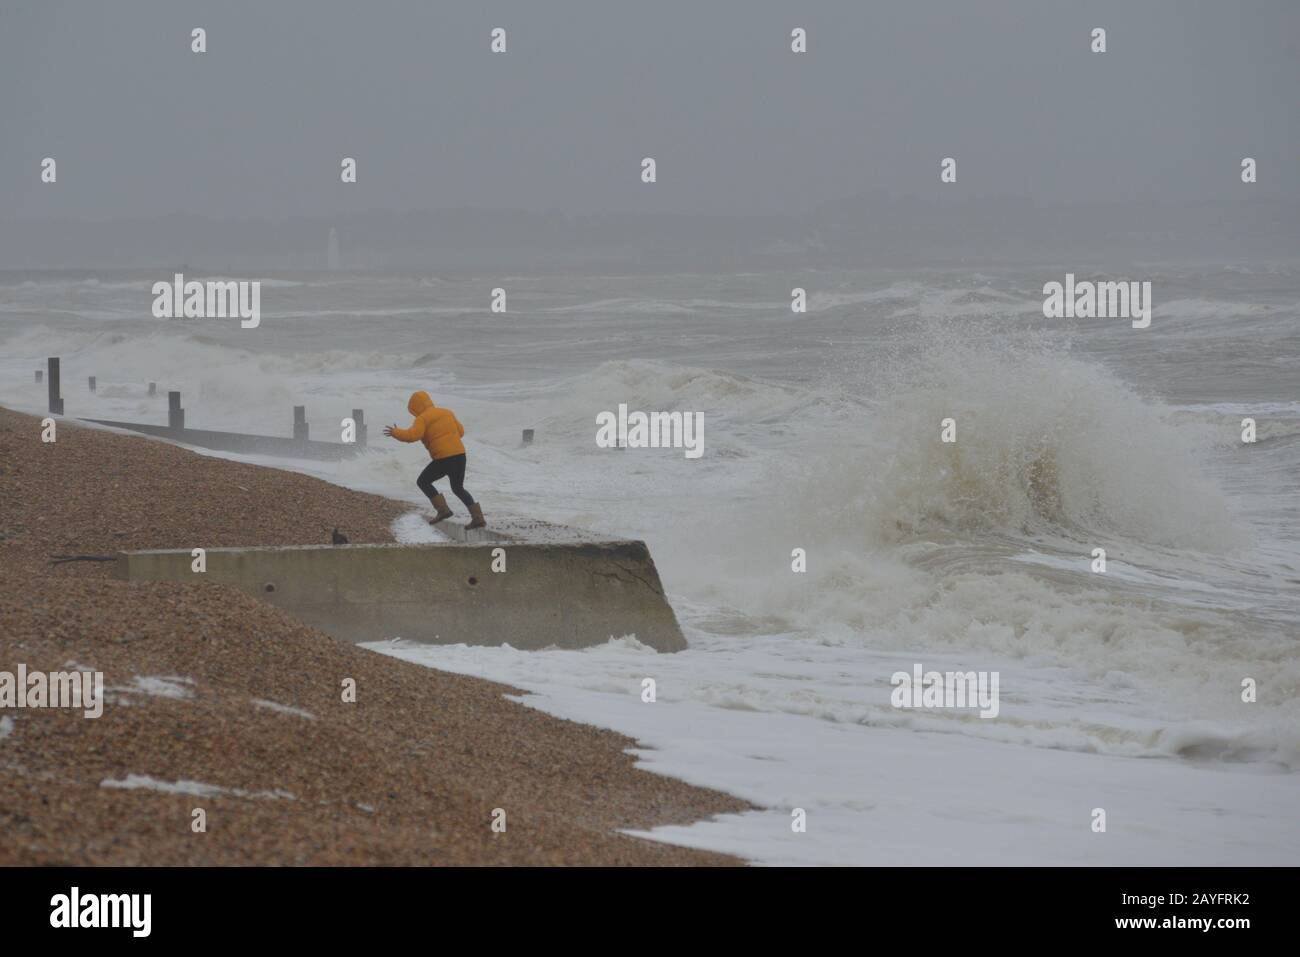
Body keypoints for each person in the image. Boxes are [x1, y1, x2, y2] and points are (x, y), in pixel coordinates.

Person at [384, 391, 485, 528]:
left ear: (415, 407)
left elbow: (412, 436)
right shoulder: (447, 412)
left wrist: (395, 432)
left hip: (444, 458)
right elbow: (460, 432)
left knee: (423, 481)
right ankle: (478, 518)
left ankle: (443, 510)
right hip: (460, 455)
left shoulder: (423, 419)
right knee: (458, 488)